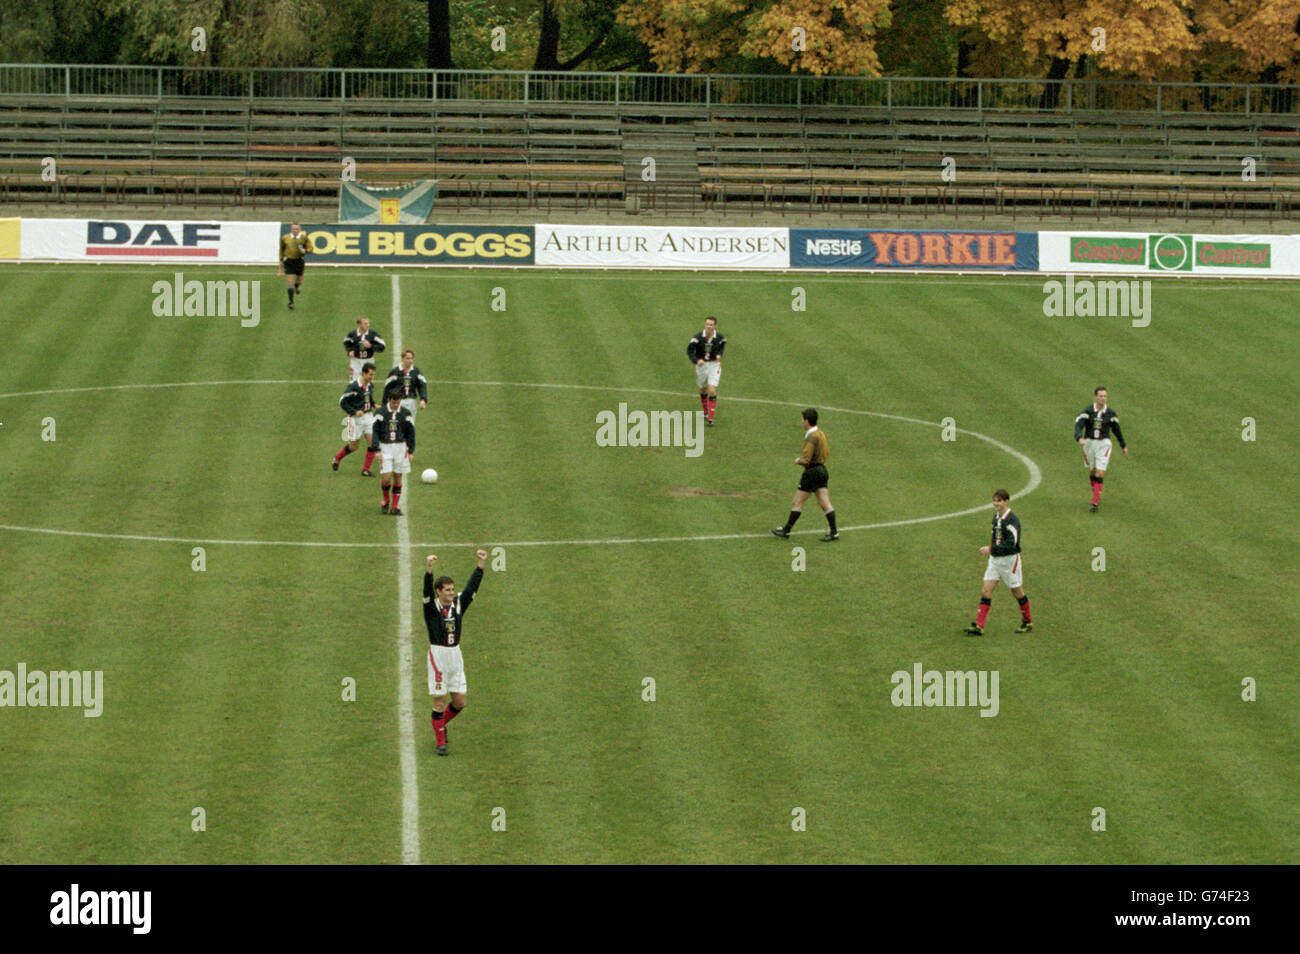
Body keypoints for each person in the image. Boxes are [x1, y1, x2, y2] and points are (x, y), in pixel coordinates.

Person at [424, 549, 489, 757]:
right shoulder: (431, 607)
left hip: (455, 655)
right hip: (438, 655)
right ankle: (441, 742)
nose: (452, 593)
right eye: (447, 590)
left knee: (460, 702)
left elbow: (471, 589)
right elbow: (425, 591)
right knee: (439, 701)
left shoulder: (459, 604)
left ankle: (440, 724)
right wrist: (429, 570)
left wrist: (480, 565)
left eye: (452, 589)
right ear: (438, 591)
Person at [964, 489, 1032, 635]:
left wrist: (991, 548)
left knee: (1017, 591)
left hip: (1009, 561)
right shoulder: (996, 517)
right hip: (995, 560)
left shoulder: (1012, 521)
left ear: (1006, 501)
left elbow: (1011, 544)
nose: (996, 503)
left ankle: (1027, 621)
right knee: (986, 590)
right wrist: (992, 551)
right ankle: (979, 626)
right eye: (994, 500)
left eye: (999, 500)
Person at [771, 408, 838, 542]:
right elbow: (827, 452)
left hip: (812, 472)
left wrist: (798, 461)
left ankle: (786, 530)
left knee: (798, 501)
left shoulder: (811, 436)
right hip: (822, 470)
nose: (801, 422)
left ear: (807, 421)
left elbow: (806, 460)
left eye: (802, 419)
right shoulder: (820, 433)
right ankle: (834, 532)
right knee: (825, 502)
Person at [1074, 386, 1128, 512]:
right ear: (1095, 397)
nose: (1103, 398)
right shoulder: (1087, 412)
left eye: (1105, 396)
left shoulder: (1110, 414)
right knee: (1092, 471)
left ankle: (1095, 502)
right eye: (1101, 396)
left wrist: (1123, 445)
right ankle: (1096, 490)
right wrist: (1079, 438)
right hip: (1089, 443)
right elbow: (1078, 426)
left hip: (1104, 444)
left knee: (1100, 472)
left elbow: (1116, 430)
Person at [374, 384, 415, 515]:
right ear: (389, 400)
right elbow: (374, 432)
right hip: (385, 448)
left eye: (398, 402)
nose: (396, 404)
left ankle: (395, 507)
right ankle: (385, 500)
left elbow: (411, 433)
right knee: (386, 478)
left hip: (400, 448)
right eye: (394, 402)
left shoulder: (405, 414)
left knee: (398, 477)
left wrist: (411, 451)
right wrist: (377, 450)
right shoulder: (380, 413)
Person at [332, 362, 379, 475]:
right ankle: (337, 457)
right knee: (354, 447)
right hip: (355, 420)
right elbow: (342, 402)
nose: (372, 377)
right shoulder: (353, 387)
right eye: (370, 375)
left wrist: (374, 404)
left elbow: (368, 398)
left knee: (373, 443)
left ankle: (366, 470)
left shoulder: (370, 385)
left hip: (368, 417)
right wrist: (354, 412)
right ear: (363, 373)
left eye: (373, 375)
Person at [687, 316, 726, 426]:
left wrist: (719, 355)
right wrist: (696, 360)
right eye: (707, 324)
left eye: (711, 325)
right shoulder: (697, 338)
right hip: (702, 366)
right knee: (703, 389)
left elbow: (722, 346)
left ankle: (710, 418)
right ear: (705, 325)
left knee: (712, 390)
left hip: (714, 365)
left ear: (715, 326)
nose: (709, 326)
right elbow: (689, 351)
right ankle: (705, 410)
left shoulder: (720, 337)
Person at [385, 349, 428, 421]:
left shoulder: (416, 372)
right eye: (408, 358)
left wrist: (423, 399)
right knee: (397, 423)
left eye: (411, 358)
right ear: (403, 358)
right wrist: (385, 404)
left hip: (411, 401)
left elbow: (422, 385)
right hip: (398, 401)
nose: (410, 361)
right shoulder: (395, 371)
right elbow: (388, 388)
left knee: (410, 424)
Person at [277, 223, 313, 309]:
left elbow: (311, 248)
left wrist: (305, 251)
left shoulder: (304, 238)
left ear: (299, 229)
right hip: (289, 261)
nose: (295, 230)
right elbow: (281, 249)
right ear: (291, 229)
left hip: (299, 261)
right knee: (290, 284)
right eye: (293, 229)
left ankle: (297, 286)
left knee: (299, 281)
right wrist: (281, 260)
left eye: (297, 229)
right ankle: (291, 302)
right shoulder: (285, 238)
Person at [344, 316, 387, 384]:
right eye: (365, 323)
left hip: (368, 361)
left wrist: (371, 346)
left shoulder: (372, 334)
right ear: (359, 324)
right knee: (353, 383)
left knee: (368, 383)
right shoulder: (352, 334)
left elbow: (382, 346)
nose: (368, 325)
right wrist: (349, 351)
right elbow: (346, 342)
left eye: (368, 323)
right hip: (355, 361)